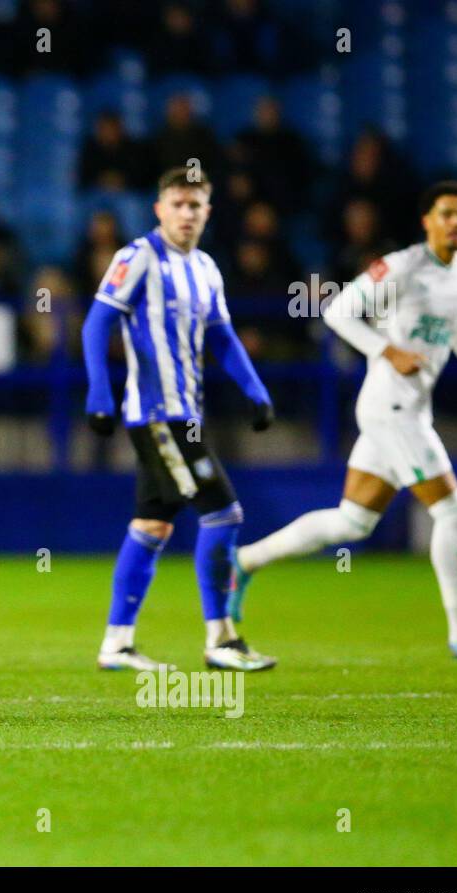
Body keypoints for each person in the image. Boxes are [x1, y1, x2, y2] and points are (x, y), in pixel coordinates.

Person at [230, 182, 457, 660]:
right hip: (391, 406)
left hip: (410, 406)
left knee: (353, 522)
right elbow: (338, 311)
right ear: (426, 220)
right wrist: (387, 350)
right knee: (455, 511)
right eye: (447, 214)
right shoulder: (401, 267)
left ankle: (243, 562)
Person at [82, 166, 277, 673]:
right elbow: (97, 321)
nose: (187, 213)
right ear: (159, 208)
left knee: (151, 525)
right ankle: (221, 638)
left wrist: (255, 392)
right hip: (156, 416)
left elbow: (223, 338)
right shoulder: (138, 257)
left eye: (196, 205)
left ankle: (116, 644)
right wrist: (100, 396)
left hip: (185, 413)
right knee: (223, 513)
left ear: (208, 212)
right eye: (178, 203)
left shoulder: (207, 268)